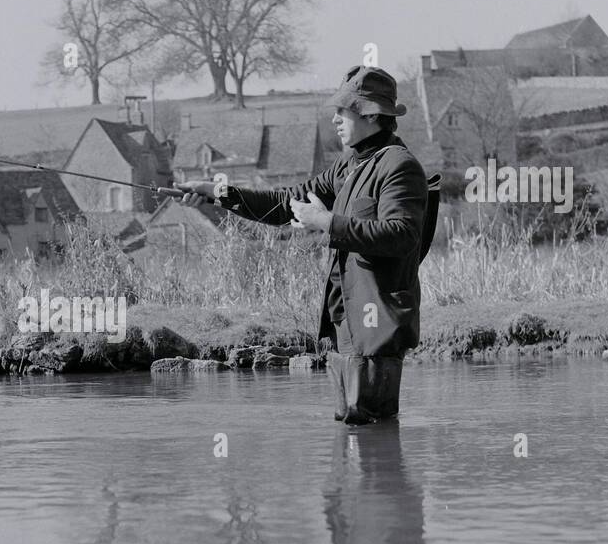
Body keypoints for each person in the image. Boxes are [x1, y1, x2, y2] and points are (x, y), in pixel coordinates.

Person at [174, 66, 431, 424]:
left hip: (378, 327)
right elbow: (286, 203)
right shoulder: (349, 166)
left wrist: (325, 221)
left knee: (372, 433)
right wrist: (219, 193)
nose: (335, 118)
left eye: (344, 110)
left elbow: (402, 236)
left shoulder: (400, 167)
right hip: (346, 323)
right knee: (354, 436)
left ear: (371, 114)